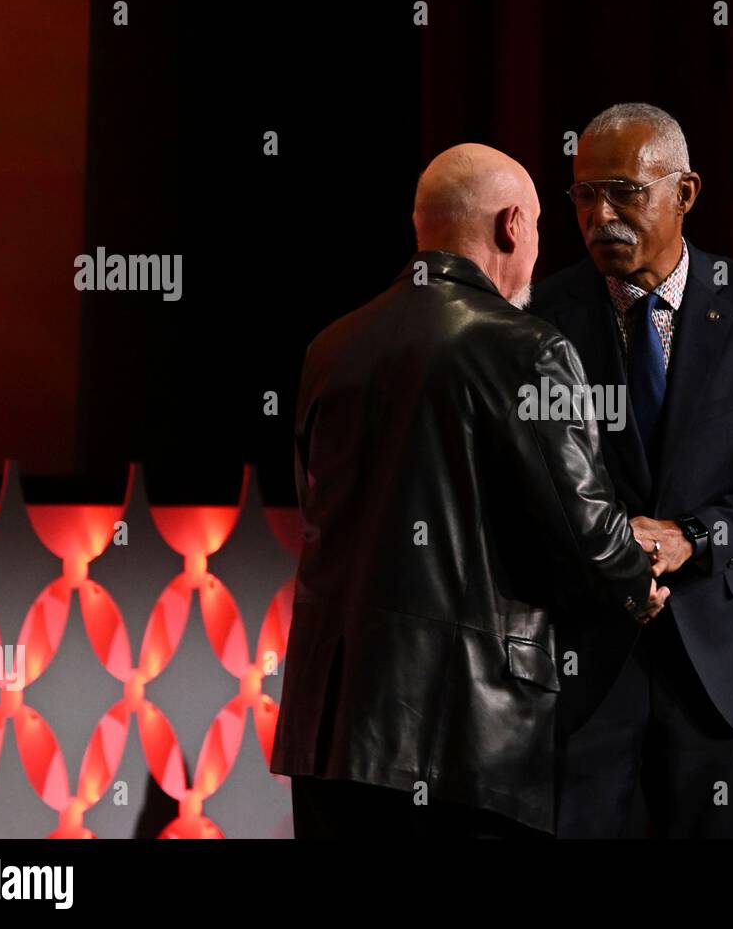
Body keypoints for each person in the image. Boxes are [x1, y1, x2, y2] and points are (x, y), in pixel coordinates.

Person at [270, 143, 667, 838]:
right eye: (540, 227)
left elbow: (318, 511)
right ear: (513, 224)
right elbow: (589, 537)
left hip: (329, 733)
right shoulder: (527, 348)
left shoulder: (331, 347)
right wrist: (638, 575)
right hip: (465, 736)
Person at [532, 104, 733, 838]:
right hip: (587, 669)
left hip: (722, 667)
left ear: (685, 192)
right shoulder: (539, 314)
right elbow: (523, 481)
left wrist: (691, 534)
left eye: (625, 192)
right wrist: (609, 546)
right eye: (584, 196)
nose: (601, 215)